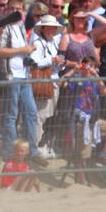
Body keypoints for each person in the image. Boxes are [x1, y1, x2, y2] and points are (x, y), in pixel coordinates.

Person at [0, 7, 41, 162]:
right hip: (10, 76)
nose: (17, 12)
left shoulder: (21, 26)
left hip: (24, 75)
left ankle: (31, 152)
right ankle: (11, 152)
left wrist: (28, 53)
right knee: (11, 116)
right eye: (13, 9)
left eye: (20, 9)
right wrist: (23, 49)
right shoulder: (3, 27)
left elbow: (21, 51)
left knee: (31, 113)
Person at [27, 15, 66, 157]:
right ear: (42, 28)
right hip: (43, 83)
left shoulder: (53, 42)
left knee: (48, 117)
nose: (51, 29)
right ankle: (36, 147)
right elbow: (35, 62)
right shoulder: (37, 42)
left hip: (53, 83)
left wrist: (60, 63)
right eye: (48, 26)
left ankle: (44, 146)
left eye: (53, 27)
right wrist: (52, 59)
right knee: (41, 116)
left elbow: (55, 67)